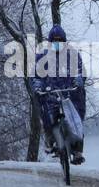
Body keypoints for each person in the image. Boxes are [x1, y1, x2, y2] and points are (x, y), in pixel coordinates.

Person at [30, 24, 86, 165]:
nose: (57, 43)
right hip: (51, 94)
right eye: (54, 41)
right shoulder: (42, 56)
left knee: (76, 119)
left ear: (64, 41)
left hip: (70, 95)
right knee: (47, 115)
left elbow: (81, 71)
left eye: (60, 41)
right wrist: (38, 85)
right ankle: (51, 141)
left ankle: (77, 150)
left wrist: (78, 80)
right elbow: (36, 75)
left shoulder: (72, 55)